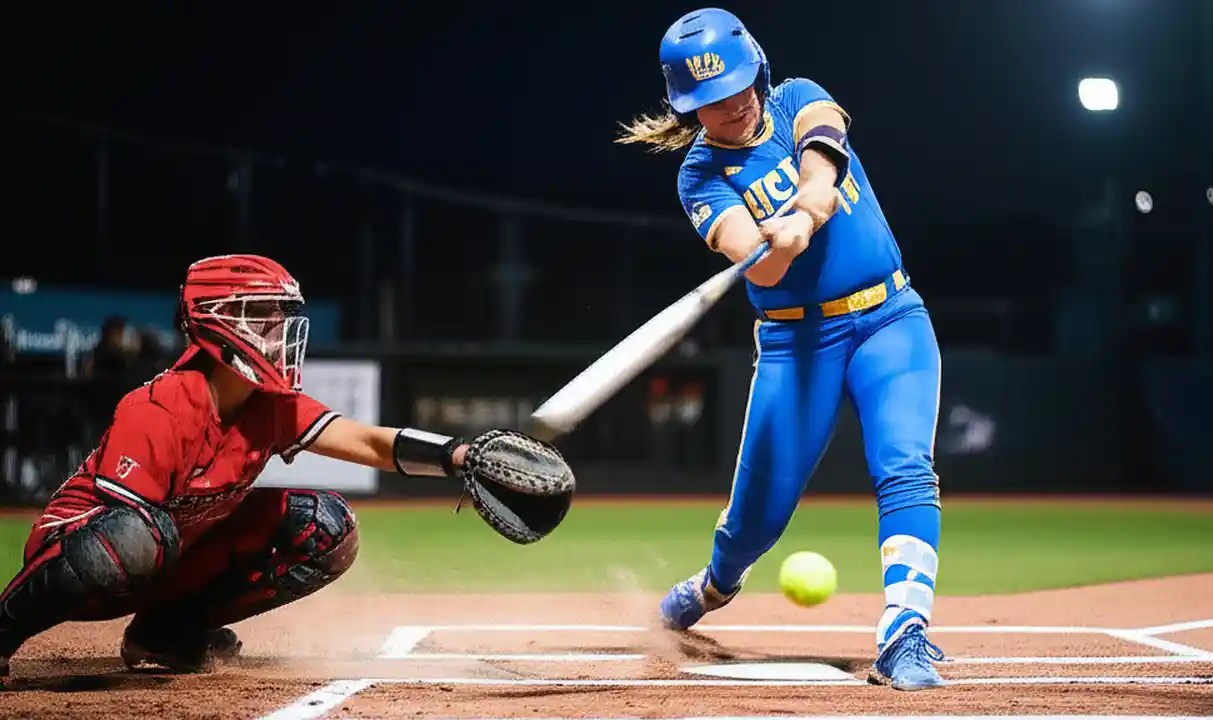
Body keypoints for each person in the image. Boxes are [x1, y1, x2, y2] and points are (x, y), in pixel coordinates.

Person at [0, 254, 572, 678]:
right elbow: (119, 530)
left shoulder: (269, 408)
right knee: (136, 533)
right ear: (216, 321)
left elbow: (368, 443)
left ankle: (165, 634)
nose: (278, 332)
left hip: (164, 553)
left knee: (326, 526)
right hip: (84, 551)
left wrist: (457, 456)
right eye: (263, 316)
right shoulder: (160, 406)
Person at [618, 8, 946, 690]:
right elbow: (758, 266)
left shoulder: (797, 96)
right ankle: (715, 583)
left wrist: (806, 208)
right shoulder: (701, 176)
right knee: (754, 521)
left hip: (891, 318)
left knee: (905, 464)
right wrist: (776, 246)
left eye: (738, 86)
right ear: (689, 108)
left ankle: (905, 632)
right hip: (798, 344)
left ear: (758, 70)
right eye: (708, 100)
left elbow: (823, 161)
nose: (731, 105)